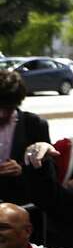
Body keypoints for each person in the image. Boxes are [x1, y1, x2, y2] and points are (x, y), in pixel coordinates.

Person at [0, 69, 50, 205]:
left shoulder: (34, 125)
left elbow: (47, 175)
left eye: (8, 108)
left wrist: (22, 170)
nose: (1, 114)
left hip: (20, 205)